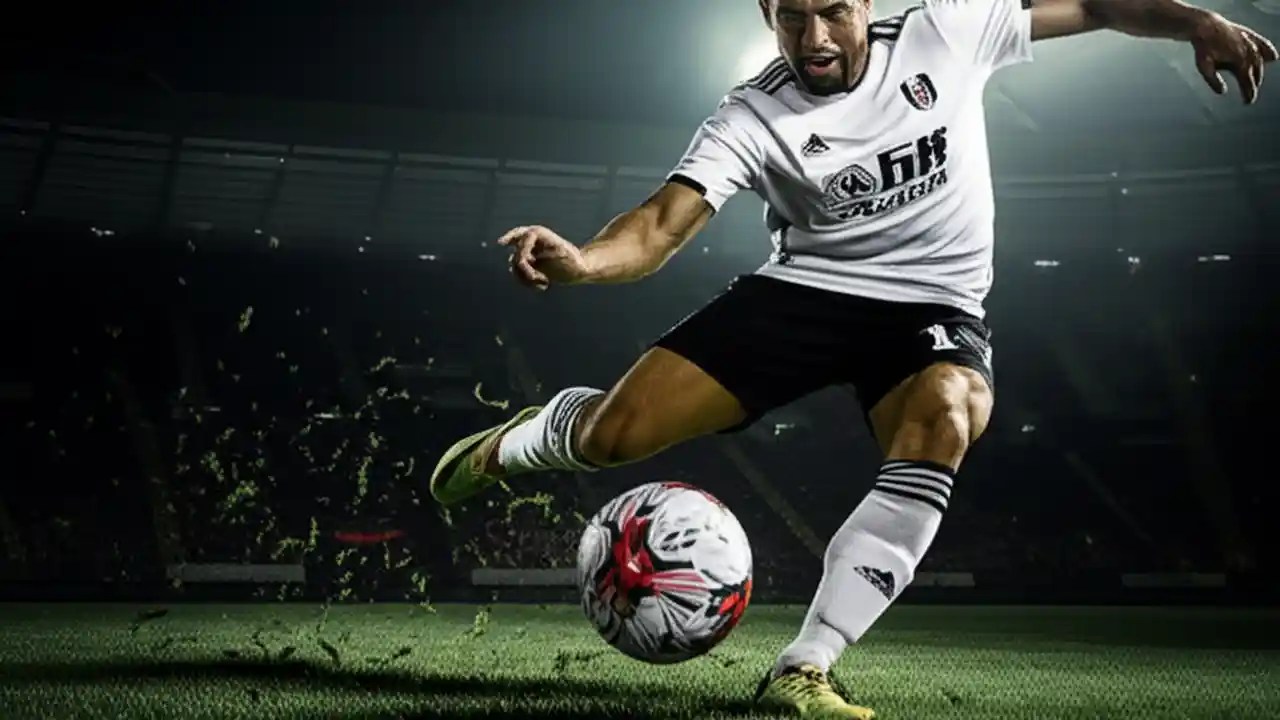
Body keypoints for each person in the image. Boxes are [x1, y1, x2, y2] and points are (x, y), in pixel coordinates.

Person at [431, 1, 1275, 717]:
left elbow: (1093, 5)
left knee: (950, 412)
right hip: (806, 295)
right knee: (613, 438)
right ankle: (524, 439)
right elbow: (658, 228)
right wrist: (582, 259)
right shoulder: (750, 115)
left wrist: (1191, 21)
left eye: (833, 8)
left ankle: (806, 664)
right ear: (767, 16)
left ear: (867, 0)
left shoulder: (945, 31)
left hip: (932, 308)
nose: (816, 36)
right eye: (790, 16)